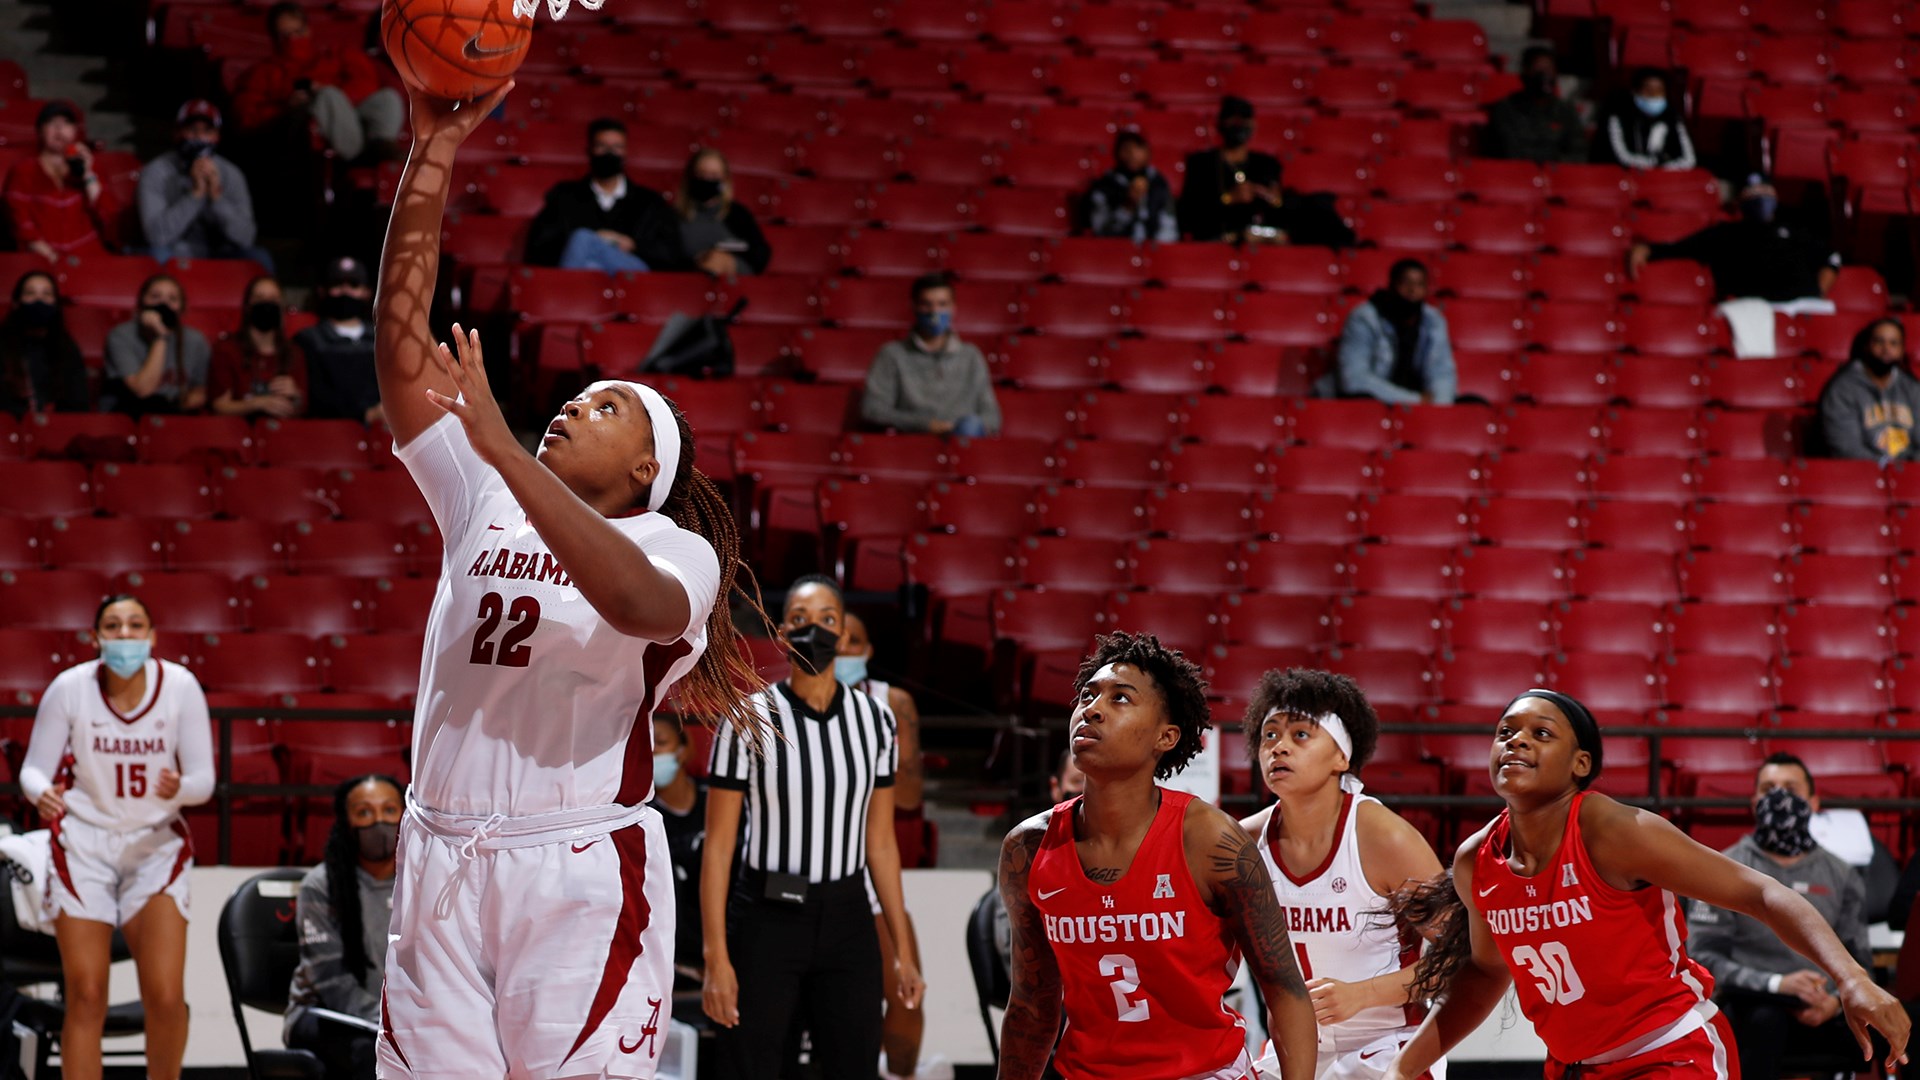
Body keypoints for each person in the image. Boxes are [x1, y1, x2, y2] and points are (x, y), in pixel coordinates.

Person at [372, 78, 772, 1080]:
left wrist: (504, 448)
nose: (572, 407)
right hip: (440, 857)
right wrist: (431, 152)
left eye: (606, 409)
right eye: (576, 396)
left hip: (579, 863)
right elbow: (397, 336)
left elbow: (633, 605)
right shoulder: (484, 493)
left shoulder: (676, 551)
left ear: (650, 468)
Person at [1381, 690, 1910, 1080]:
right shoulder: (1477, 859)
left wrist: (1852, 978)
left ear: (1580, 764)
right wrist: (1403, 1070)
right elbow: (1485, 971)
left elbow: (1763, 893)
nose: (1515, 740)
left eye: (1541, 733)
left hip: (1670, 1053)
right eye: (1504, 732)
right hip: (1573, 1066)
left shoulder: (1613, 831)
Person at [997, 631, 1318, 1080]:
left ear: (1166, 737)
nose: (1091, 708)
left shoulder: (1211, 841)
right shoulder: (1027, 849)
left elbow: (1285, 990)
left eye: (1120, 698)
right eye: (1087, 695)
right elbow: (1031, 1005)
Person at [701, 575, 926, 1079]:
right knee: (753, 1066)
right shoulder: (747, 718)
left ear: (844, 634)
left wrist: (903, 952)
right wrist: (717, 956)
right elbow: (718, 848)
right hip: (766, 916)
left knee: (854, 1063)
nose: (814, 632)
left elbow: (882, 844)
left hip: (847, 917)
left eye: (827, 621)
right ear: (782, 635)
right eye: (800, 621)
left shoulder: (877, 721)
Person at [18, 594, 214, 1080]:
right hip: (84, 844)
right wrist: (42, 794)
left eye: (134, 625)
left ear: (151, 636)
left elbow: (204, 781)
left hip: (154, 844)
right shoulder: (70, 687)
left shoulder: (180, 686)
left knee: (166, 996)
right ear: (95, 637)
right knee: (86, 993)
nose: (124, 635)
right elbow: (33, 771)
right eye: (113, 625)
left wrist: (180, 787)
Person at [1239, 669, 1447, 1080]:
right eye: (1269, 735)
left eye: (1301, 734)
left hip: (1388, 1046)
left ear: (1341, 757)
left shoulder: (1382, 836)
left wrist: (1363, 995)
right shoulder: (1243, 843)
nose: (1279, 747)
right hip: (1291, 1053)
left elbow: (1462, 955)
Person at [1686, 754, 1875, 1080]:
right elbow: (1704, 959)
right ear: (1754, 802)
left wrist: (1833, 1000)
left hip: (1823, 1008)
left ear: (1813, 802)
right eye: (1768, 788)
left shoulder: (1841, 874)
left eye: (1790, 788)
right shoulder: (1720, 869)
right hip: (1751, 1007)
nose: (1779, 796)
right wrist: (1777, 985)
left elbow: (1859, 958)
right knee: (1764, 1018)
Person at [835, 609, 929, 1080]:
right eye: (836, 639)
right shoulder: (785, 703)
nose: (843, 649)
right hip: (802, 862)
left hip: (868, 862)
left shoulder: (892, 702)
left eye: (855, 641)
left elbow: (910, 796)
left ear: (868, 652)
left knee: (907, 995)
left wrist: (886, 731)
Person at [286, 774, 404, 1080]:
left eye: (390, 810)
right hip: (325, 1014)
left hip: (401, 1021)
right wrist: (393, 1027)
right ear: (345, 822)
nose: (379, 822)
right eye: (364, 812)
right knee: (371, 1055)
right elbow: (331, 981)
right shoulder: (322, 885)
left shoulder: (421, 883)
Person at [232, 1, 404, 162]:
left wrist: (334, 93)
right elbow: (247, 118)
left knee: (387, 99)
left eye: (298, 32)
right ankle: (359, 158)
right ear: (275, 38)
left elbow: (366, 84)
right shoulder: (262, 73)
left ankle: (381, 148)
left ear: (307, 30)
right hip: (302, 123)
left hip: (347, 110)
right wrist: (287, 106)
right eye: (285, 35)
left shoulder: (333, 56)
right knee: (328, 95)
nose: (293, 40)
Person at [1628, 177, 1840, 304]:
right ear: (1740, 200)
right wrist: (1649, 249)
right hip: (1753, 307)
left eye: (1764, 190)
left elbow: (1831, 257)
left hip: (1803, 304)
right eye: (1753, 191)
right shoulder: (1725, 233)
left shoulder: (1795, 230)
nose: (1760, 196)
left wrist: (1820, 288)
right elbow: (1683, 248)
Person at [525, 118, 690, 274]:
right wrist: (597, 239)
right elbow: (541, 246)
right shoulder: (564, 197)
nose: (609, 153)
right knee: (589, 262)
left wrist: (633, 245)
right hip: (586, 276)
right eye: (602, 146)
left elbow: (671, 253)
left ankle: (566, 297)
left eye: (617, 147)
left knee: (583, 238)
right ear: (589, 150)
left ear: (626, 152)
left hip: (634, 275)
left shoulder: (649, 202)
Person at [860, 272, 1001, 436]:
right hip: (912, 445)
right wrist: (924, 424)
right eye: (926, 304)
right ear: (913, 306)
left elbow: (992, 417)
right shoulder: (892, 354)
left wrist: (963, 427)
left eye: (942, 304)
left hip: (962, 446)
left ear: (953, 308)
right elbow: (872, 410)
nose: (934, 312)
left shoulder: (971, 356)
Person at [138, 99, 271, 268]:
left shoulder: (230, 174)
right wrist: (195, 195)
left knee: (259, 259)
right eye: (192, 130)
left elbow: (246, 238)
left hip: (220, 254)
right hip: (174, 253)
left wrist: (216, 198)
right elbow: (156, 237)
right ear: (177, 133)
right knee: (156, 256)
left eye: (207, 131)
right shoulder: (156, 172)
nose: (199, 138)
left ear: (217, 137)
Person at [1324, 259, 1455, 406]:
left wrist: (1439, 405)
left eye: (1420, 285)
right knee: (1363, 400)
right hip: (1373, 404)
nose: (1412, 291)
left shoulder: (1433, 321)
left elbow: (1442, 372)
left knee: (1473, 404)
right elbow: (1354, 379)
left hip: (1416, 408)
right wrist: (1414, 400)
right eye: (1406, 283)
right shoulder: (1364, 318)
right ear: (1391, 286)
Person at [647, 713, 709, 1014]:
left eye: (660, 743)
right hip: (670, 964)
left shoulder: (715, 802)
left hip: (719, 953)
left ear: (683, 749)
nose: (654, 753)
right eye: (646, 747)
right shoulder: (642, 815)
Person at [3, 100, 119, 260]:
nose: (59, 129)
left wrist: (88, 175)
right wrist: (51, 257)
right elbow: (20, 223)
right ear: (40, 131)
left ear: (75, 131)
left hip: (89, 257)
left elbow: (108, 216)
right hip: (41, 258)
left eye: (66, 123)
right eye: (51, 122)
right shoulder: (23, 170)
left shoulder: (92, 168)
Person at [1177, 96, 1284, 243]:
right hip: (1217, 237)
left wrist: (1274, 199)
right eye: (1233, 119)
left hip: (1259, 238)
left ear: (1253, 124)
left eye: (1244, 119)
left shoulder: (1267, 164)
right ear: (1220, 124)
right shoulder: (1202, 163)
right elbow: (1189, 214)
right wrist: (1228, 198)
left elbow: (1280, 205)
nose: (1239, 124)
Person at [101, 273, 210, 416]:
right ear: (141, 302)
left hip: (176, 413)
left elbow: (199, 389)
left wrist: (191, 400)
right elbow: (143, 390)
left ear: (181, 307)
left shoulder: (195, 340)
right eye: (155, 296)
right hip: (133, 411)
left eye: (172, 299)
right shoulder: (121, 335)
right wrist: (160, 337)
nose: (163, 304)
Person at [1815, 317, 1919, 463]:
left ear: (1902, 350)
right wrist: (1885, 469)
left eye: (1893, 343)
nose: (1886, 349)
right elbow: (1846, 448)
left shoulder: (1912, 388)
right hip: (1861, 477)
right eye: (1879, 342)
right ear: (1867, 346)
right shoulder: (1842, 389)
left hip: (1909, 474)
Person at [209, 275, 306, 418]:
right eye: (259, 298)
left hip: (281, 433)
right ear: (248, 306)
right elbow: (219, 405)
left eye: (273, 300)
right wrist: (258, 403)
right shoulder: (227, 349)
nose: (266, 304)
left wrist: (296, 397)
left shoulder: (294, 353)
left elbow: (303, 409)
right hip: (238, 433)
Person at [299, 255, 381, 424]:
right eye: (337, 285)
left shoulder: (384, 340)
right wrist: (365, 415)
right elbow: (315, 396)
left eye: (354, 285)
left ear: (367, 292)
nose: (345, 291)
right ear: (322, 291)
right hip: (332, 431)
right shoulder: (308, 340)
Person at [0, 268, 89, 416]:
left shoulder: (67, 348)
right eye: (30, 293)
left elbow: (78, 406)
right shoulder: (3, 345)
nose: (38, 300)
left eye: (46, 294)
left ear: (55, 304)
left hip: (55, 431)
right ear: (16, 302)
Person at [673, 148, 771, 281]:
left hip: (735, 282)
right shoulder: (673, 215)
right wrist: (699, 262)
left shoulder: (738, 214)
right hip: (687, 282)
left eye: (714, 176)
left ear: (724, 180)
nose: (707, 180)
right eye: (702, 174)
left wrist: (727, 261)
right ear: (690, 176)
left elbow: (760, 255)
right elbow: (664, 259)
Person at [1484, 47, 1586, 164]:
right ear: (1525, 72)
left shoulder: (1566, 111)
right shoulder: (1506, 109)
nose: (1544, 75)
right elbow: (1510, 152)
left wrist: (1554, 166)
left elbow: (1578, 153)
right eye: (1538, 69)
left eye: (1549, 69)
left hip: (1559, 176)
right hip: (1516, 176)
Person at [1592, 68, 1697, 172]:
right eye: (1648, 90)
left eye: (1659, 91)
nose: (1653, 95)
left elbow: (1689, 160)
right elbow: (1622, 158)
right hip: (1622, 179)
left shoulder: (1673, 119)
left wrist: (1662, 169)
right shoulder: (1618, 116)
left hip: (1662, 181)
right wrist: (1656, 163)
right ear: (1635, 91)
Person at [1085, 131, 1177, 243]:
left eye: (1138, 147)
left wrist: (1157, 252)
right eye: (1126, 149)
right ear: (1116, 152)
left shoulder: (1158, 183)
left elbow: (1169, 226)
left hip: (1154, 251)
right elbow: (1101, 232)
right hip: (1115, 251)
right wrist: (1127, 207)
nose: (1133, 154)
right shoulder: (1104, 186)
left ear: (1148, 151)